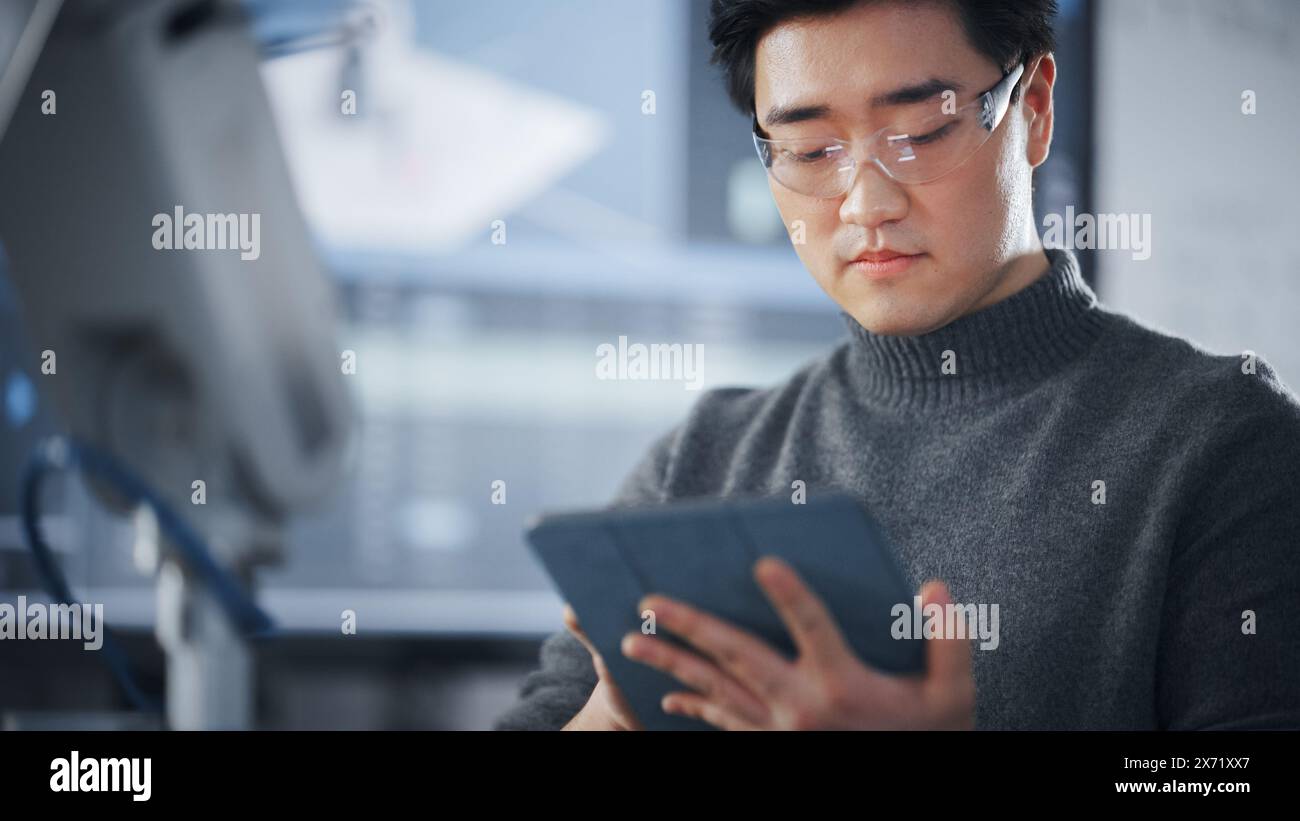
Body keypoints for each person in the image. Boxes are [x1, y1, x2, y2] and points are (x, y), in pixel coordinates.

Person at [493, 0, 1300, 730]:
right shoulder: (701, 461)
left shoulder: (1224, 445)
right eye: (810, 149)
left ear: (1037, 107)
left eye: (919, 133)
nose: (865, 203)